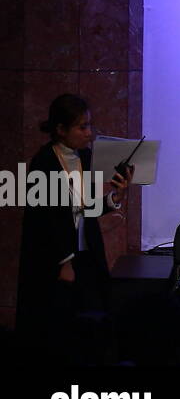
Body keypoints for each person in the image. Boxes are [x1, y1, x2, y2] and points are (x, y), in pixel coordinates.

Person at [16, 94, 133, 361]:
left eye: (89, 125)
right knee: (56, 329)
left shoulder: (85, 157)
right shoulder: (43, 162)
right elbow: (42, 220)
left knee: (91, 324)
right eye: (82, 127)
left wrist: (115, 197)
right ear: (60, 129)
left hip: (86, 254)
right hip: (55, 261)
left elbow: (86, 208)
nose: (89, 134)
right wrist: (64, 261)